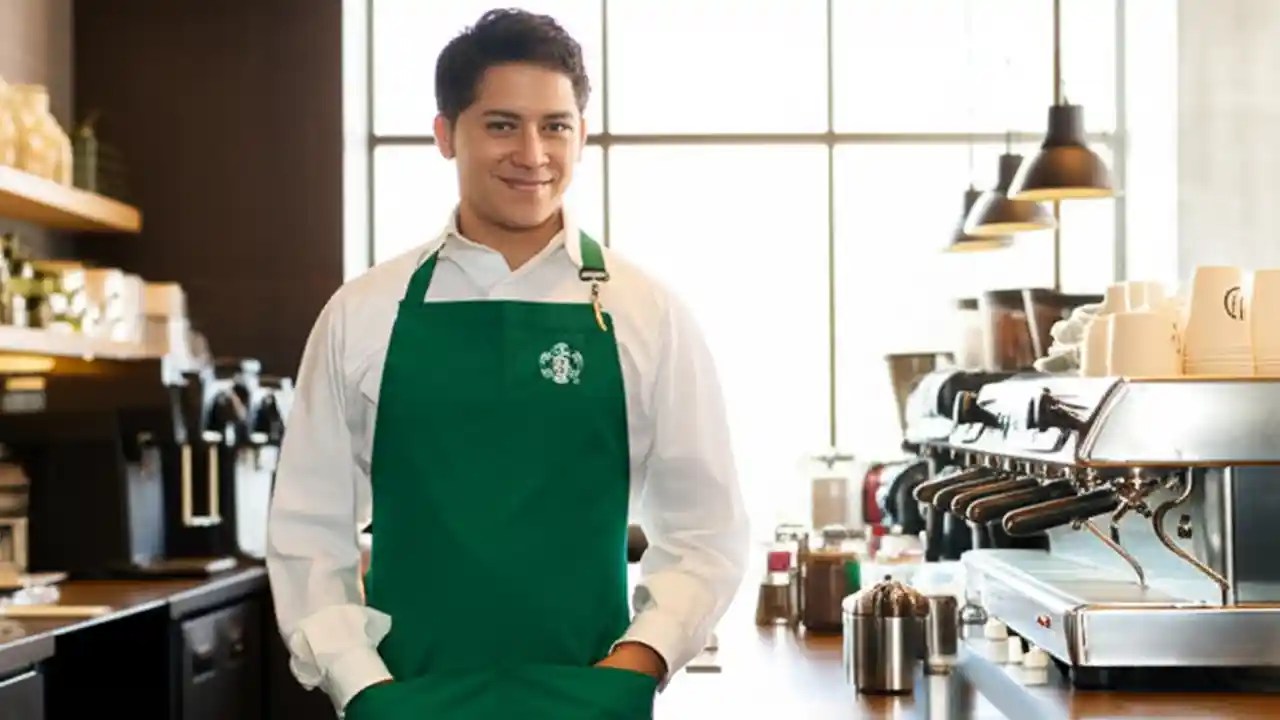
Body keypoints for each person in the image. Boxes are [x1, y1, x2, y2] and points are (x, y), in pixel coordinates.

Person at [265, 7, 749, 719]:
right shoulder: (362, 312)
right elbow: (307, 529)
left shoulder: (648, 312)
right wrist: (361, 685)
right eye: (501, 124)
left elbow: (708, 528)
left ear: (581, 135)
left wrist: (638, 663)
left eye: (555, 125)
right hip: (413, 700)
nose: (533, 152)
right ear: (444, 135)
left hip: (589, 695)